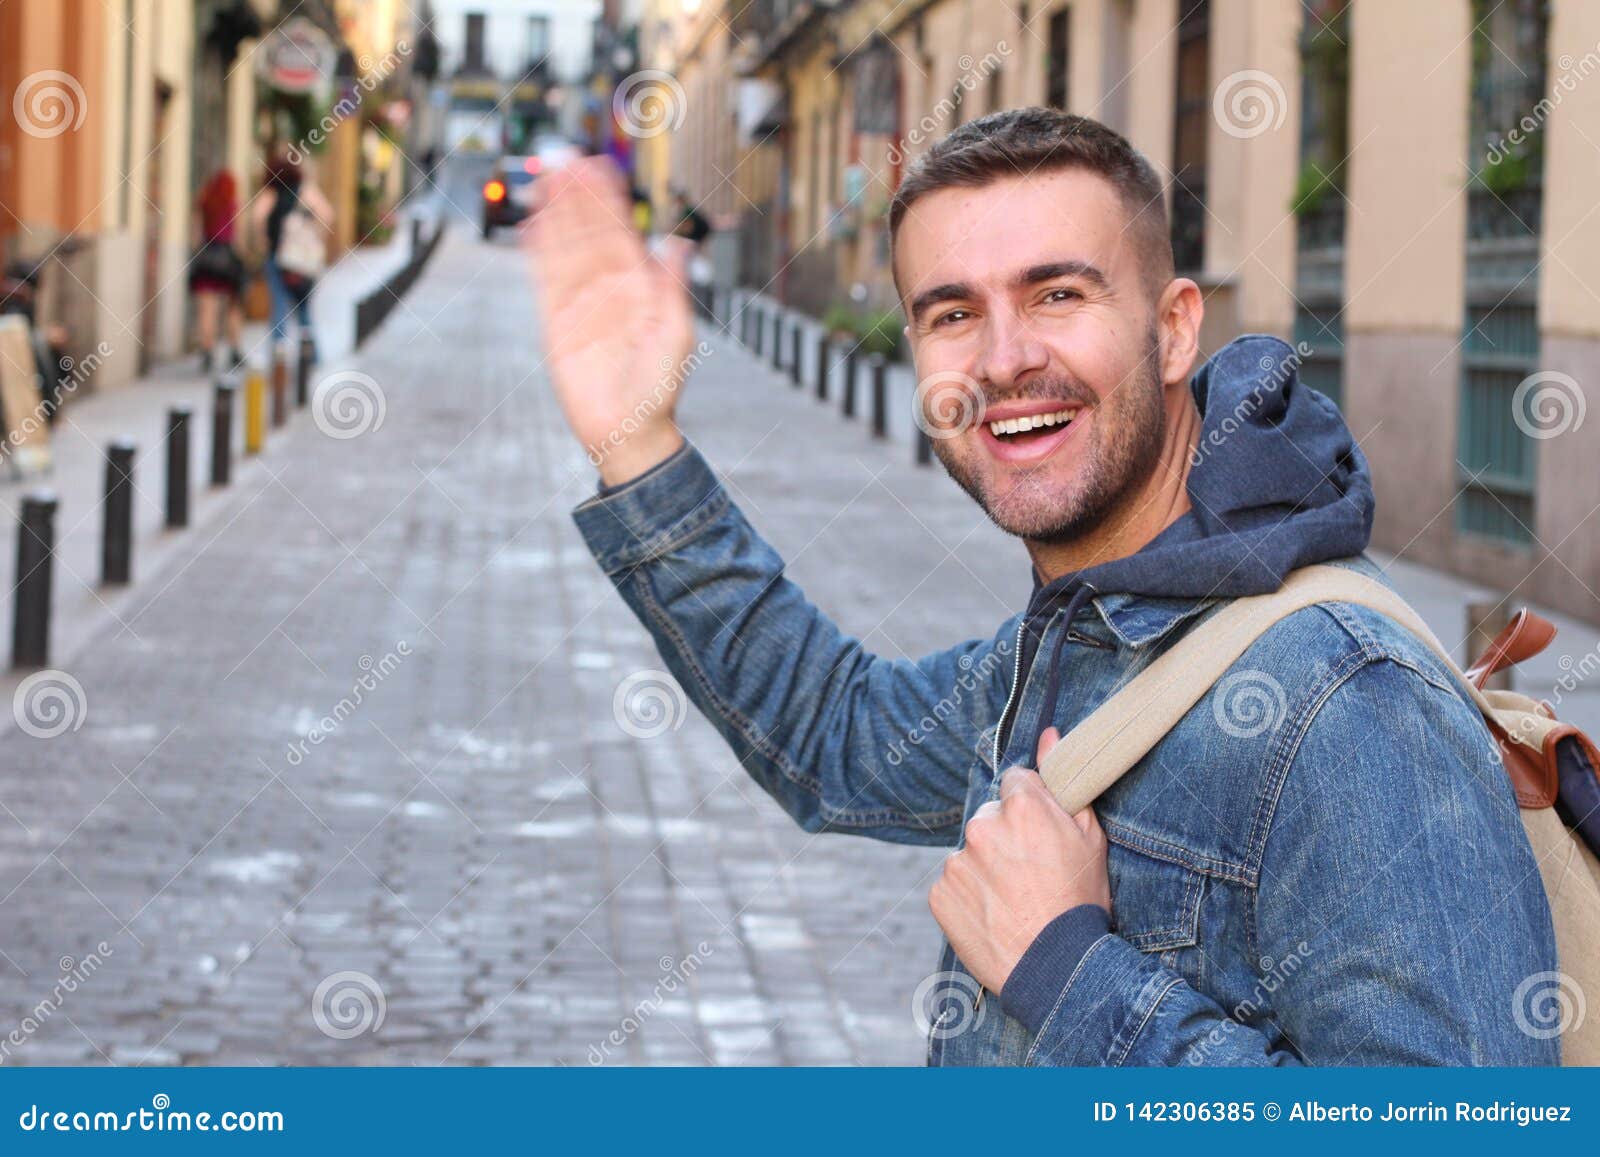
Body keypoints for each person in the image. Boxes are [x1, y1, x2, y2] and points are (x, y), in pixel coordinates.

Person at [527, 108, 1558, 1066]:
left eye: (1056, 293)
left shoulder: (1347, 702)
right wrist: (639, 446)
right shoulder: (1100, 629)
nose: (1005, 358)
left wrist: (1068, 968)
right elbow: (836, 741)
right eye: (950, 313)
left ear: (1173, 328)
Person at [252, 153, 333, 365]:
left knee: (279, 305)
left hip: (277, 259)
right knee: (305, 309)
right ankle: (312, 356)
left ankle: (279, 354)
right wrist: (313, 238)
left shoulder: (270, 193)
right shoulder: (305, 190)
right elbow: (327, 215)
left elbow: (257, 218)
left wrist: (264, 243)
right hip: (304, 263)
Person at [189, 169, 245, 373]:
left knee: (207, 309)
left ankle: (207, 351)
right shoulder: (232, 205)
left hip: (206, 259)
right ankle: (234, 349)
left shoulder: (203, 202)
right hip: (227, 258)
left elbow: (195, 235)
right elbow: (237, 237)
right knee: (233, 307)